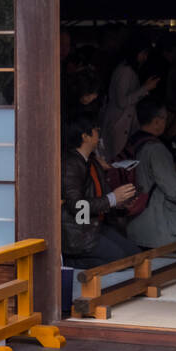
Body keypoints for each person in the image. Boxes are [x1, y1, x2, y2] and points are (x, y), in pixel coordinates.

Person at [61, 112, 141, 269]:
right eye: (96, 130)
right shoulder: (71, 164)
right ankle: (71, 263)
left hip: (96, 226)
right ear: (85, 136)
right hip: (80, 232)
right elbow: (77, 207)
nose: (99, 133)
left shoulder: (91, 161)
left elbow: (102, 196)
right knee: (121, 261)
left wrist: (120, 203)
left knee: (136, 256)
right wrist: (112, 199)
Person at [123, 99, 176, 250]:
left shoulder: (131, 143)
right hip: (159, 230)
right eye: (164, 118)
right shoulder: (156, 149)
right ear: (157, 121)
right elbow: (174, 191)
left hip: (133, 225)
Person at [99, 33, 159, 163]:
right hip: (118, 126)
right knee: (117, 163)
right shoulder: (125, 71)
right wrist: (145, 88)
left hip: (120, 125)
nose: (144, 57)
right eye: (143, 53)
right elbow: (122, 101)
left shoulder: (126, 70)